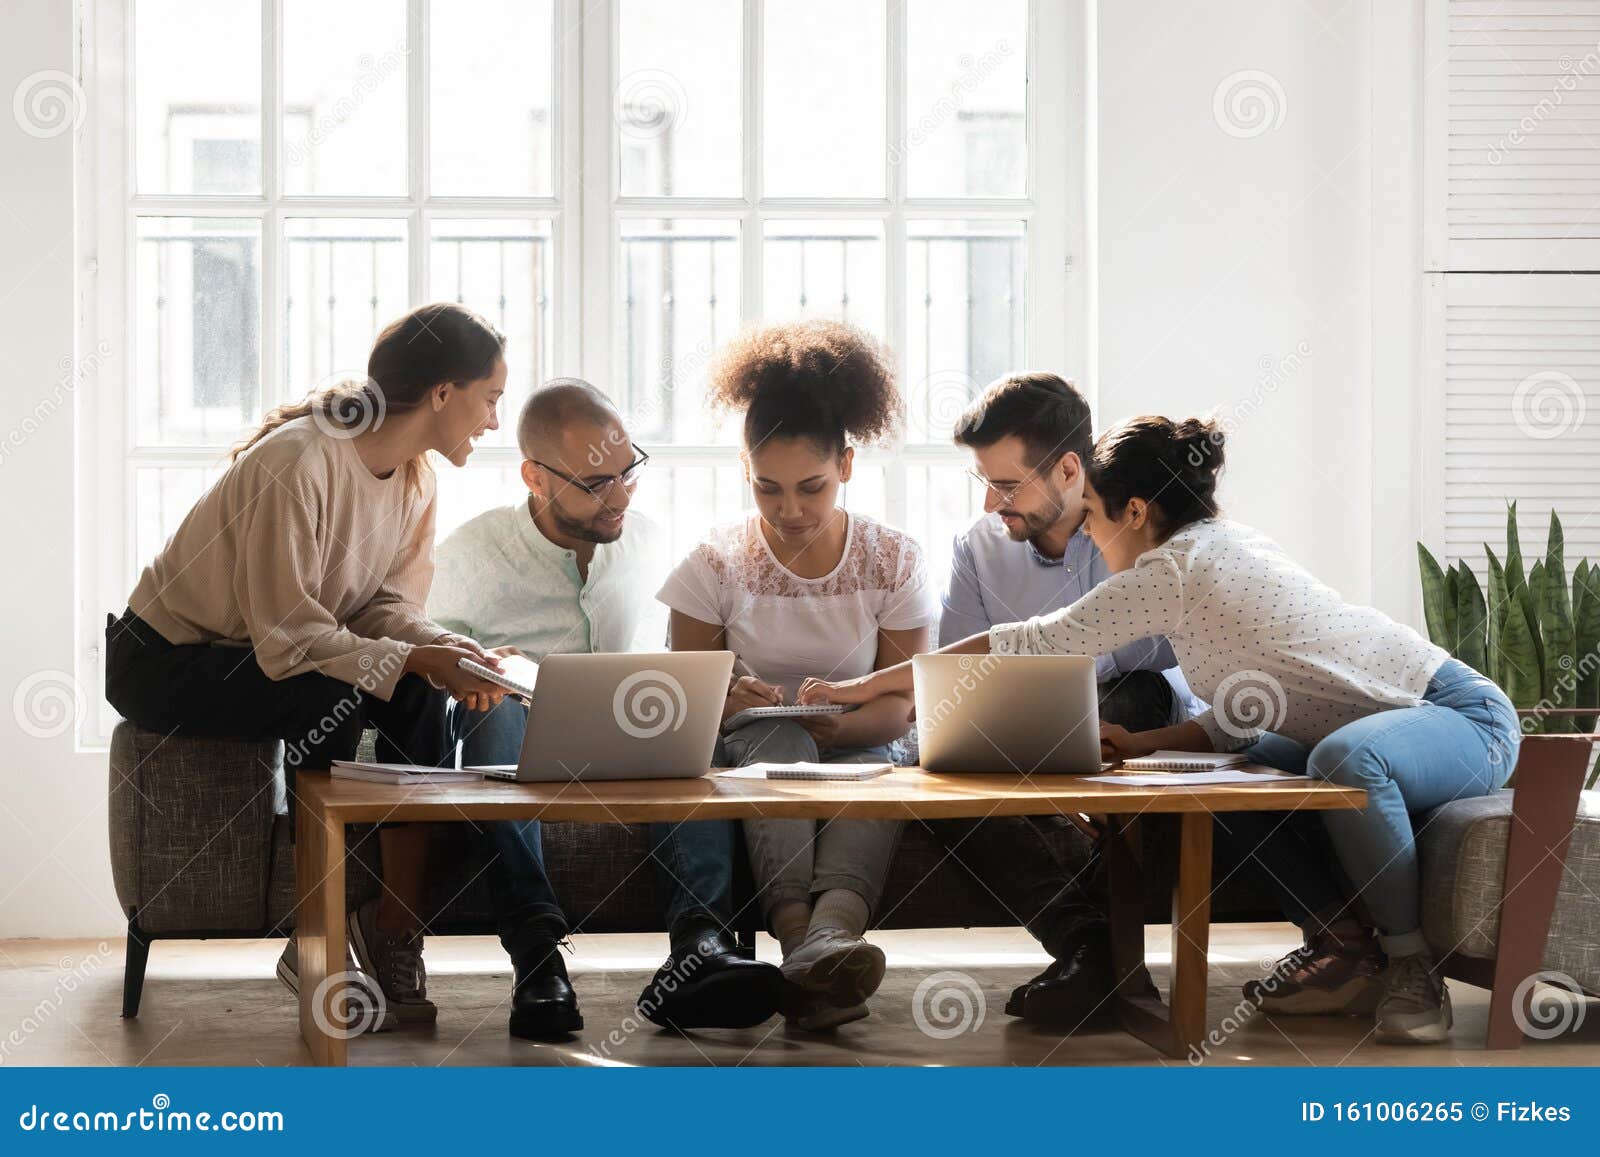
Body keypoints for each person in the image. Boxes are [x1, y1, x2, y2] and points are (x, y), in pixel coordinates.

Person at [800, 415, 1520, 1044]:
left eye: (1092, 519)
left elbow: (1028, 641)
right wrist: (1143, 745)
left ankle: (1410, 967)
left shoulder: (1174, 568)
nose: (1088, 537)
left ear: (1136, 511)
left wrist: (868, 683)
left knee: (1344, 754)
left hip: (1463, 716)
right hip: (1388, 726)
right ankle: (1342, 944)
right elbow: (1242, 722)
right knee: (1230, 775)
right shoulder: (1218, 548)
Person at [104, 303, 517, 1031]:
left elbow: (385, 605)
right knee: (325, 696)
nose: (492, 421)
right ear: (444, 393)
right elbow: (288, 639)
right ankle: (312, 939)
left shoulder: (417, 479)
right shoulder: (298, 461)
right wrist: (412, 652)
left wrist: (444, 649)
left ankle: (395, 930)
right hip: (164, 658)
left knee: (417, 688)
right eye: (490, 398)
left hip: (261, 649)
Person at [430, 379, 781, 1038]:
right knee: (492, 711)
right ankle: (538, 959)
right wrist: (472, 666)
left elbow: (676, 659)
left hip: (626, 736)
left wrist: (718, 684)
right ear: (534, 475)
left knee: (693, 721)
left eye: (628, 473)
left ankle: (699, 949)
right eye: (595, 484)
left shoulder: (650, 542)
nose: (619, 496)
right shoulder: (471, 553)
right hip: (514, 738)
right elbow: (423, 667)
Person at [653, 319, 933, 1031]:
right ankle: (814, 945)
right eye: (766, 489)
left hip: (865, 736)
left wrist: (841, 722)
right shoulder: (714, 563)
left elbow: (902, 703)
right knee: (782, 748)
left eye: (811, 486)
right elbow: (683, 704)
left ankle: (824, 940)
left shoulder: (893, 558)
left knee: (877, 769)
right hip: (759, 748)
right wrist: (727, 703)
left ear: (847, 464)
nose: (790, 511)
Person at [934, 373, 1200, 1027]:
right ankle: (1093, 946)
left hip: (1128, 723)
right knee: (935, 767)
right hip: (1018, 739)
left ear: (1069, 469)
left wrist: (1067, 735)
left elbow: (1176, 656)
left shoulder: (1137, 527)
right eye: (985, 483)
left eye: (1006, 483)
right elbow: (953, 685)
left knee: (1134, 693)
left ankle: (1089, 955)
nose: (994, 502)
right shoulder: (977, 551)